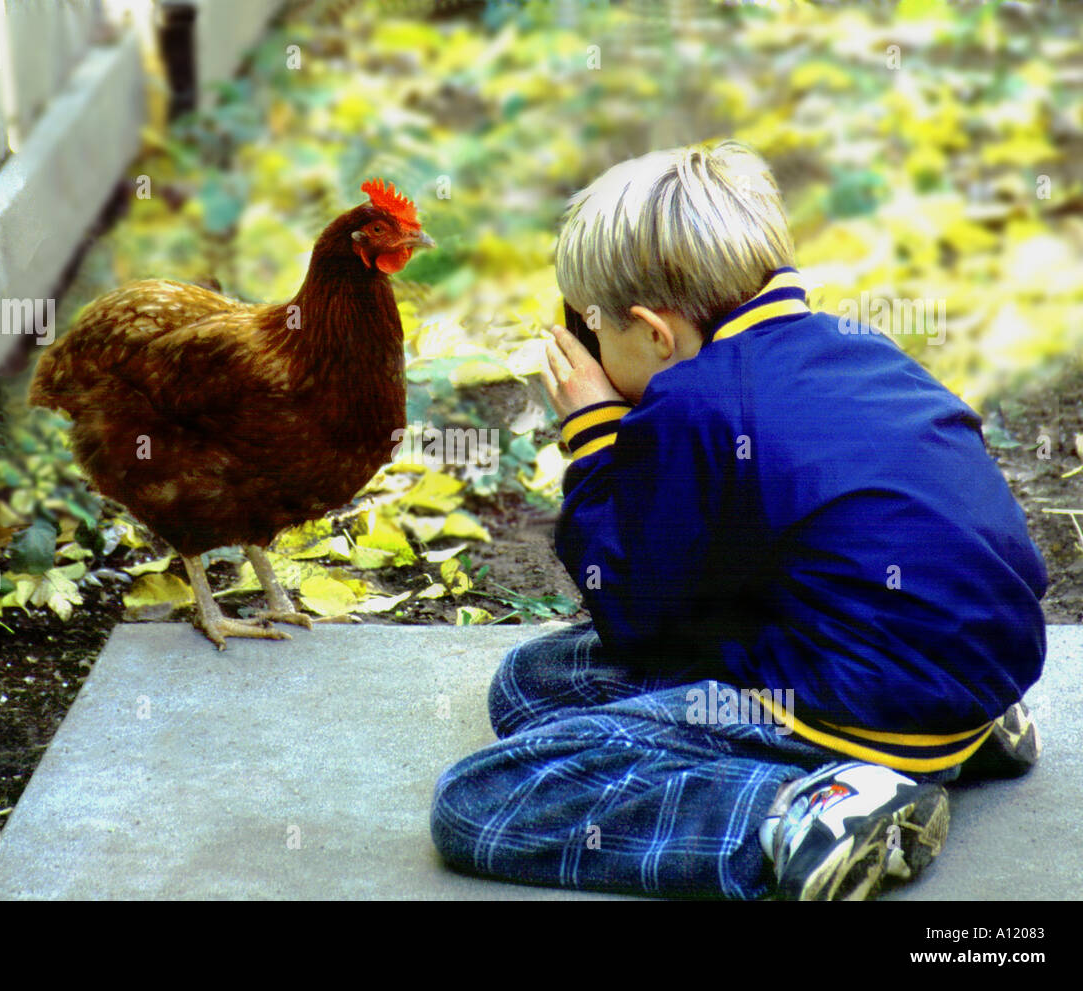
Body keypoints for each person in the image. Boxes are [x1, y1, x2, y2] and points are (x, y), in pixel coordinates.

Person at [430, 141, 1046, 900]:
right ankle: (968, 736)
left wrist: (594, 437)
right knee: (530, 686)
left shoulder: (695, 400)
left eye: (598, 335)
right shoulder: (857, 345)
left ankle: (806, 814)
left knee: (481, 799)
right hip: (965, 650)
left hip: (864, 692)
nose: (590, 356)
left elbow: (633, 611)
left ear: (654, 333)